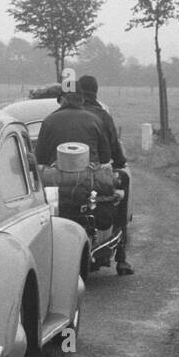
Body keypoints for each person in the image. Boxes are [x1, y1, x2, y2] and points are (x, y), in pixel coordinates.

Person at [78, 75, 133, 275]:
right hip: (94, 176)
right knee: (122, 182)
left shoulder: (59, 114)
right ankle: (121, 256)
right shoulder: (102, 116)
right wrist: (118, 162)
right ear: (96, 92)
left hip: (62, 174)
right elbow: (113, 154)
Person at [33, 89, 111, 168]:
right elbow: (105, 157)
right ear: (82, 100)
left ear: (63, 99)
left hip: (56, 177)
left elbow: (40, 157)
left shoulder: (49, 121)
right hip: (89, 176)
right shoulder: (95, 120)